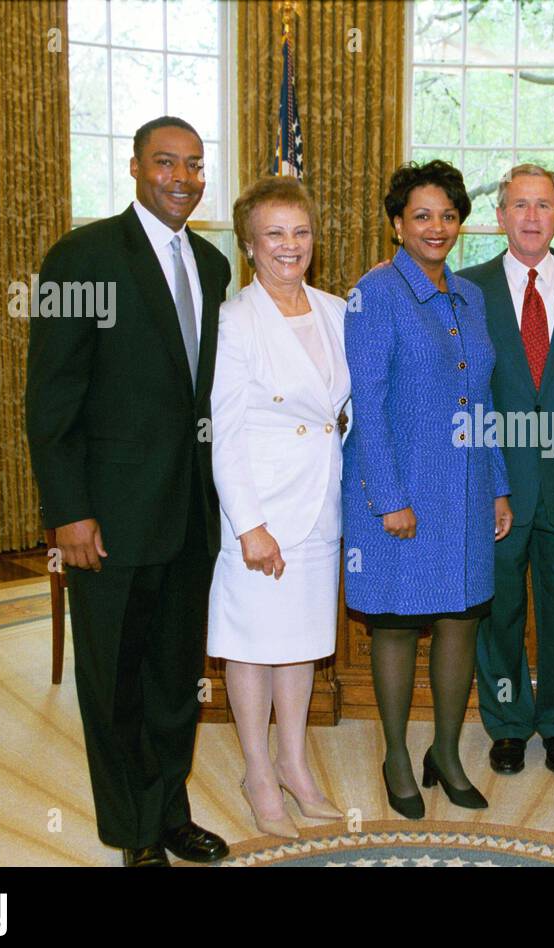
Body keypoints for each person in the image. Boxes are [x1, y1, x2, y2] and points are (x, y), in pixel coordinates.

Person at [26, 116, 232, 866]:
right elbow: (49, 400)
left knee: (176, 683)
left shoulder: (213, 266)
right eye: (167, 162)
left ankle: (170, 810)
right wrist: (67, 511)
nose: (183, 176)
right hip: (107, 516)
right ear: (137, 168)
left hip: (188, 514)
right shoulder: (78, 258)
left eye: (195, 165)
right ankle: (133, 835)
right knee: (113, 683)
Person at [342, 160, 513, 820]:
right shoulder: (374, 293)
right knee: (395, 625)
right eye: (421, 215)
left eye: (447, 214)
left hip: (466, 490)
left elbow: (483, 398)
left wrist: (497, 485)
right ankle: (395, 755)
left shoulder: (468, 296)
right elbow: (369, 401)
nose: (436, 226)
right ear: (396, 224)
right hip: (399, 493)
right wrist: (389, 500)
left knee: (459, 620)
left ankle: (445, 751)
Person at [458, 164, 554, 776]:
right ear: (499, 216)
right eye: (518, 205)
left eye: (543, 205)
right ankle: (506, 722)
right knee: (498, 613)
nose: (530, 217)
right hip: (495, 484)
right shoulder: (467, 290)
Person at [207, 176, 349, 838]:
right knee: (251, 644)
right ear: (248, 245)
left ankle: (295, 763)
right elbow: (226, 431)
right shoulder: (237, 321)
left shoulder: (333, 309)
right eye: (274, 234)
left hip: (321, 502)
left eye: (300, 232)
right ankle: (258, 772)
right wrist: (250, 526)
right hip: (262, 512)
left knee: (299, 643)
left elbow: (340, 409)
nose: (289, 246)